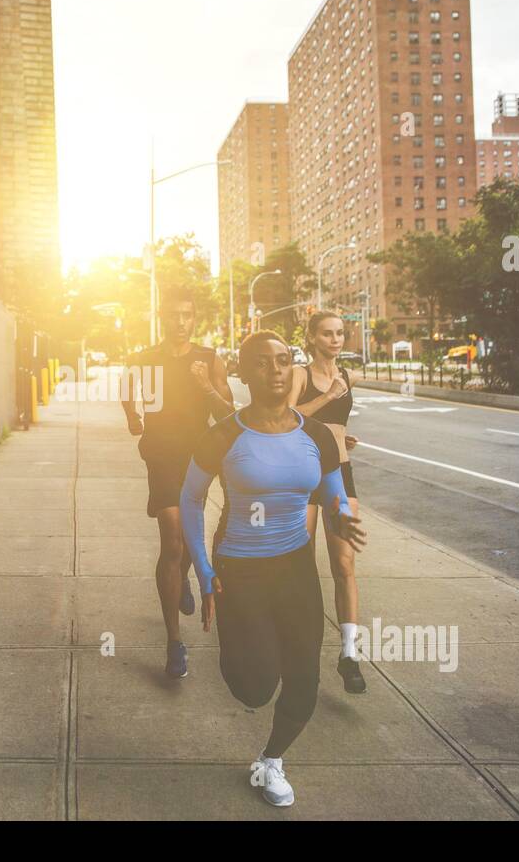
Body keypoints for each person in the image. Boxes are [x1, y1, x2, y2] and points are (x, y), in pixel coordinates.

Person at [181, 331, 366, 807]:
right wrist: (203, 570)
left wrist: (343, 513)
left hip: (294, 567)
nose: (277, 371)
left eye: (284, 361)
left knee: (305, 677)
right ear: (244, 373)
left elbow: (331, 490)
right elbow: (191, 498)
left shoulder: (317, 435)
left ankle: (272, 760)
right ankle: (242, 654)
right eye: (263, 363)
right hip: (239, 569)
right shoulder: (224, 434)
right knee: (254, 687)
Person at [121, 288, 234, 679]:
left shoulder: (208, 358)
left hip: (198, 457)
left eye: (187, 314)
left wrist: (205, 384)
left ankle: (184, 574)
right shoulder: (146, 359)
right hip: (162, 456)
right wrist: (133, 418)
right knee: (172, 538)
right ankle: (174, 642)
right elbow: (127, 389)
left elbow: (227, 409)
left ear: (194, 318)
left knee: (186, 540)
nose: (180, 321)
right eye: (174, 314)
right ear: (162, 316)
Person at [289, 310, 366, 693]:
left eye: (340, 333)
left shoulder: (347, 377)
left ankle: (349, 654)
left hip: (339, 472)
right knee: (299, 561)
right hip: (303, 473)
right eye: (327, 334)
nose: (336, 340)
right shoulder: (301, 375)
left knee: (344, 561)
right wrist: (328, 399)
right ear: (313, 338)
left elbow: (336, 424)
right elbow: (285, 418)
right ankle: (297, 646)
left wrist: (340, 437)